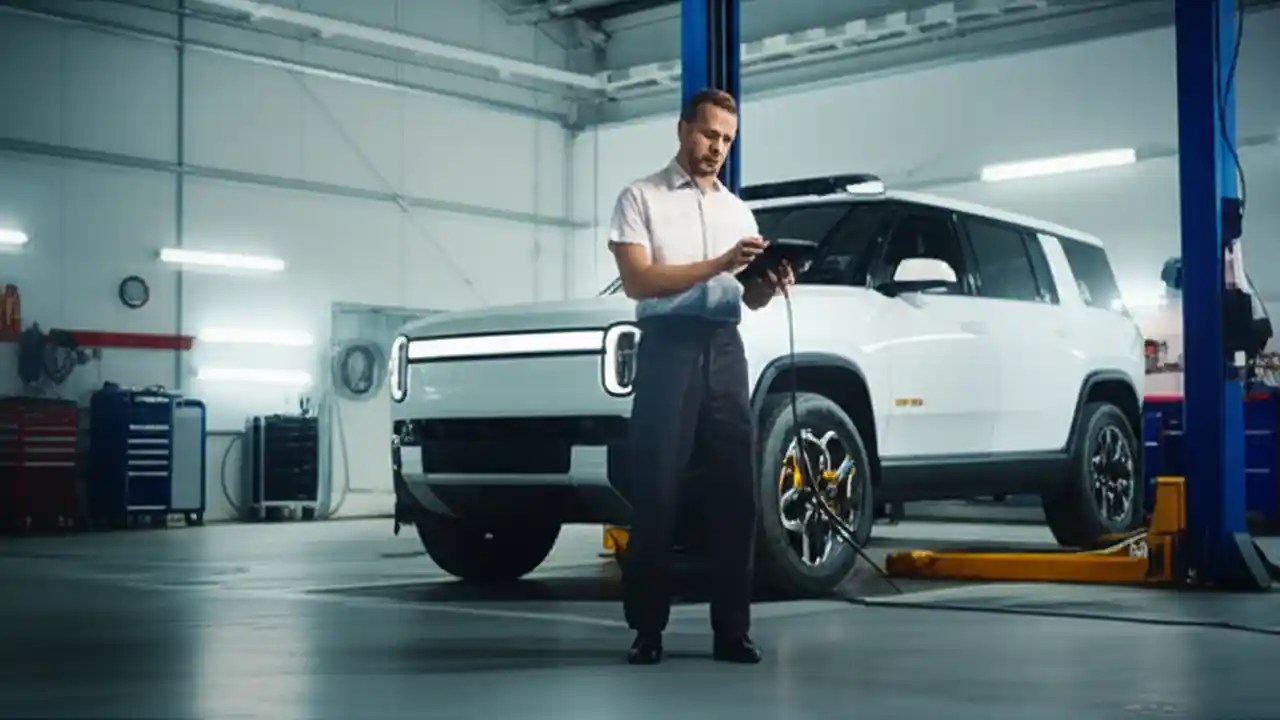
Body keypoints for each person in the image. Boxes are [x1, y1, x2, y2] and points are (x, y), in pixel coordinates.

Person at [606, 87, 793, 665]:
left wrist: (768, 284)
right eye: (710, 134)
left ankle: (732, 630)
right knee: (657, 490)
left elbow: (747, 298)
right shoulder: (640, 197)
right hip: (667, 347)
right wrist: (719, 264)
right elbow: (639, 281)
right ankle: (648, 630)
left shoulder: (738, 211)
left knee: (736, 494)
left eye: (727, 140)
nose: (717, 147)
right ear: (683, 128)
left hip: (725, 348)